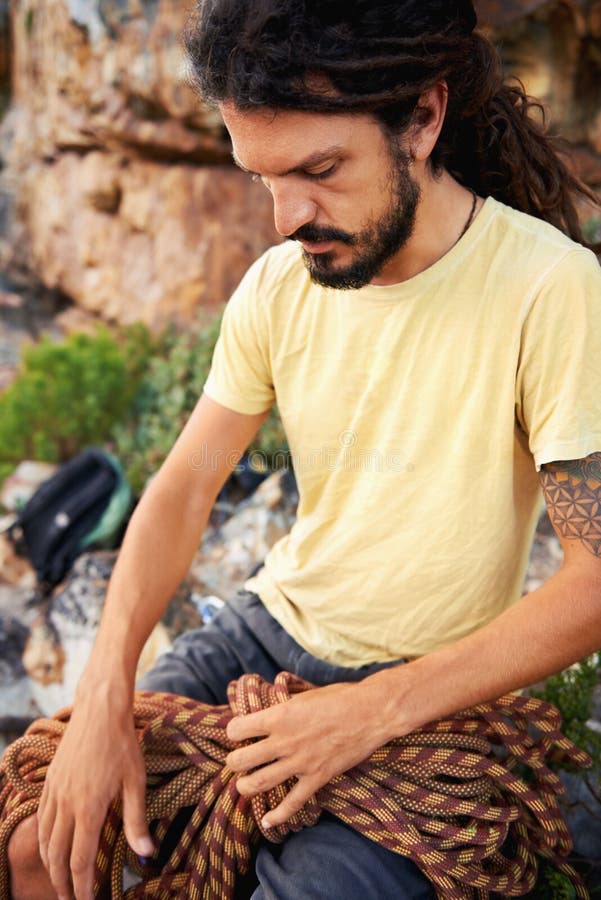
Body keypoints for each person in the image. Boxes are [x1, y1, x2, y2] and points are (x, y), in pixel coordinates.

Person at [8, 1, 601, 898]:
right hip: (264, 629)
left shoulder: (548, 287)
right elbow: (182, 488)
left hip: (427, 692)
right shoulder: (278, 287)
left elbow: (594, 579)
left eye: (319, 170)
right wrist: (101, 693)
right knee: (41, 846)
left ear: (422, 118)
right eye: (261, 178)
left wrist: (369, 711)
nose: (287, 217)